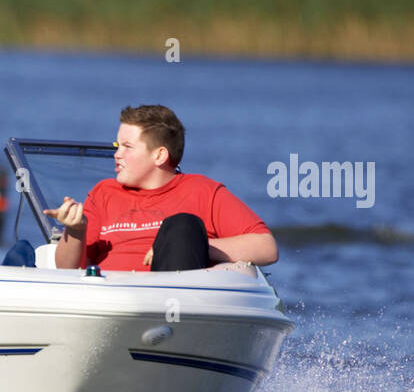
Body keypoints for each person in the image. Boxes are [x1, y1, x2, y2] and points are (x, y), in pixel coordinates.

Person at [49, 105, 277, 271]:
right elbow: (67, 270)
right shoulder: (103, 194)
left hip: (173, 303)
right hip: (111, 298)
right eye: (117, 146)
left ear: (159, 155)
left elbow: (266, 247)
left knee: (182, 226)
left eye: (127, 147)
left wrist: (187, 245)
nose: (117, 154)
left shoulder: (203, 191)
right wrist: (76, 231)